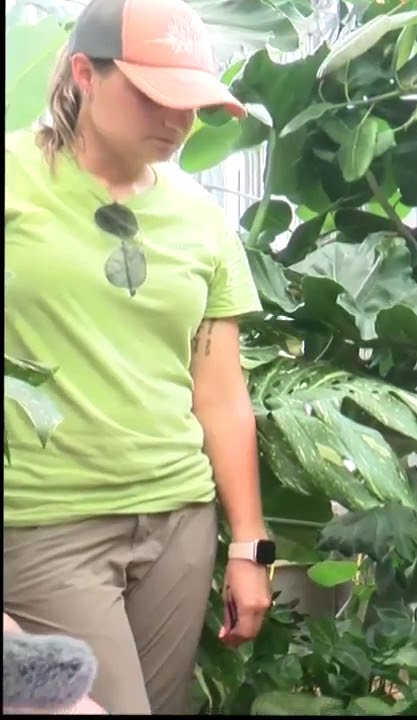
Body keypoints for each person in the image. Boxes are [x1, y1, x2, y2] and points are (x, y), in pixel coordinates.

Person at [4, 0, 278, 713]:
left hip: (177, 525)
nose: (177, 121)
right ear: (83, 75)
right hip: (46, 522)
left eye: (191, 103)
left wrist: (249, 545)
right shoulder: (11, 183)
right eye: (155, 96)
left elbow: (220, 395)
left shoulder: (203, 223)